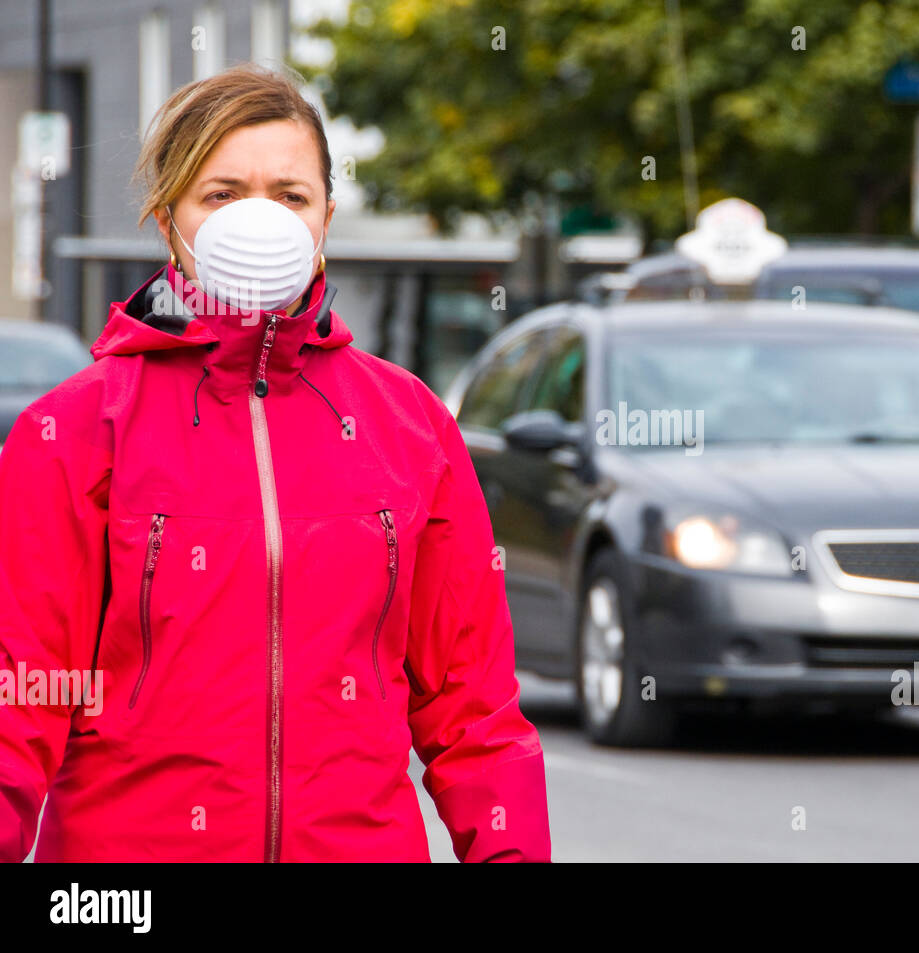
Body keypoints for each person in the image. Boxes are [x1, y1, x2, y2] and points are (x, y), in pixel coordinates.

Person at [0, 64, 550, 862]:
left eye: (289, 196)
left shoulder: (410, 426)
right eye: (222, 195)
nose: (260, 220)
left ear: (326, 215)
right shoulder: (75, 429)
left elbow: (473, 710)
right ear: (168, 222)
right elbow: (20, 702)